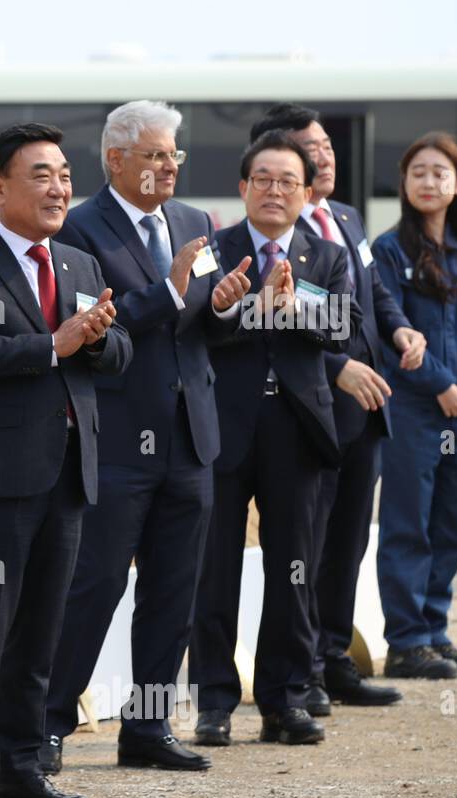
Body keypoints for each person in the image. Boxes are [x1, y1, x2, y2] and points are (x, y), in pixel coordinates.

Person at [42, 101, 249, 775]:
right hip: (117, 440)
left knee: (173, 590)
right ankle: (45, 725)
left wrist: (224, 306)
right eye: (157, 154)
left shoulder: (194, 222)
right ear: (116, 159)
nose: (169, 166)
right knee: (93, 588)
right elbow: (95, 327)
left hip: (191, 440)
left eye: (174, 155)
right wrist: (170, 287)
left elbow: (204, 326)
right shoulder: (79, 227)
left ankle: (149, 723)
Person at [0, 123, 131, 798]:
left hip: (69, 472)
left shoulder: (79, 262)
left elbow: (118, 350)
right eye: (41, 175)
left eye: (65, 176)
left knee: (43, 625)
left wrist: (99, 342)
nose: (59, 188)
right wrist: (52, 345)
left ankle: (20, 764)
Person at [251, 104, 427, 712]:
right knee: (308, 547)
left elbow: (373, 291)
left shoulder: (347, 217)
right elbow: (265, 332)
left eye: (325, 145)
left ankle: (333, 656)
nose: (323, 155)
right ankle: (302, 676)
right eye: (309, 148)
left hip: (365, 407)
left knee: (349, 541)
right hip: (309, 407)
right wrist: (336, 368)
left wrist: (401, 330)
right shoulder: (272, 240)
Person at [189, 130, 352, 748]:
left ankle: (284, 701)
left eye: (288, 181)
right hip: (222, 430)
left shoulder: (325, 256)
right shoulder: (215, 249)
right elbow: (195, 323)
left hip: (296, 431)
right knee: (215, 570)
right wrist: (242, 306)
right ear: (243, 187)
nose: (275, 190)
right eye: (263, 178)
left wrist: (292, 310)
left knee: (293, 571)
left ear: (307, 193)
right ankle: (213, 702)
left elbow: (345, 328)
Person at [374, 132, 457, 680]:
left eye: (439, 173)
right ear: (404, 183)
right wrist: (442, 383)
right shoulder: (389, 250)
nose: (428, 181)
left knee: (449, 522)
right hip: (414, 409)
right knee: (409, 523)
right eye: (417, 172)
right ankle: (406, 641)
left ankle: (435, 630)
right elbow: (386, 328)